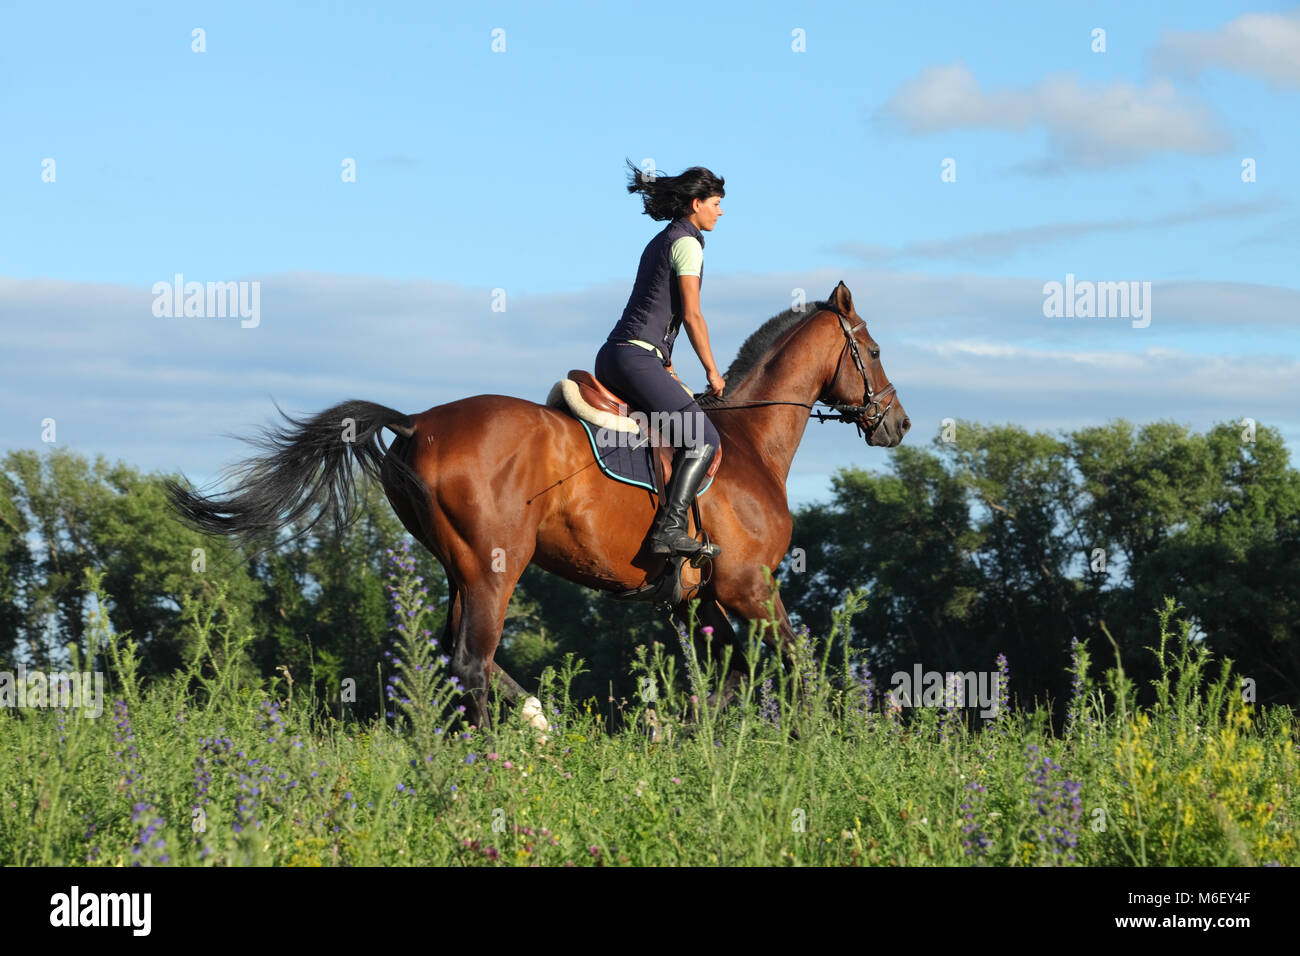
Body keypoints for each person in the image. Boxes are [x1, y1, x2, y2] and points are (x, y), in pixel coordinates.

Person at [595, 159, 726, 558]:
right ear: (695, 203)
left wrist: (666, 360)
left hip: (619, 356)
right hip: (635, 357)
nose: (720, 212)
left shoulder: (663, 239)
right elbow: (692, 314)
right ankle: (669, 530)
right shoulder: (687, 243)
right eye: (716, 203)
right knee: (705, 439)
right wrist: (712, 372)